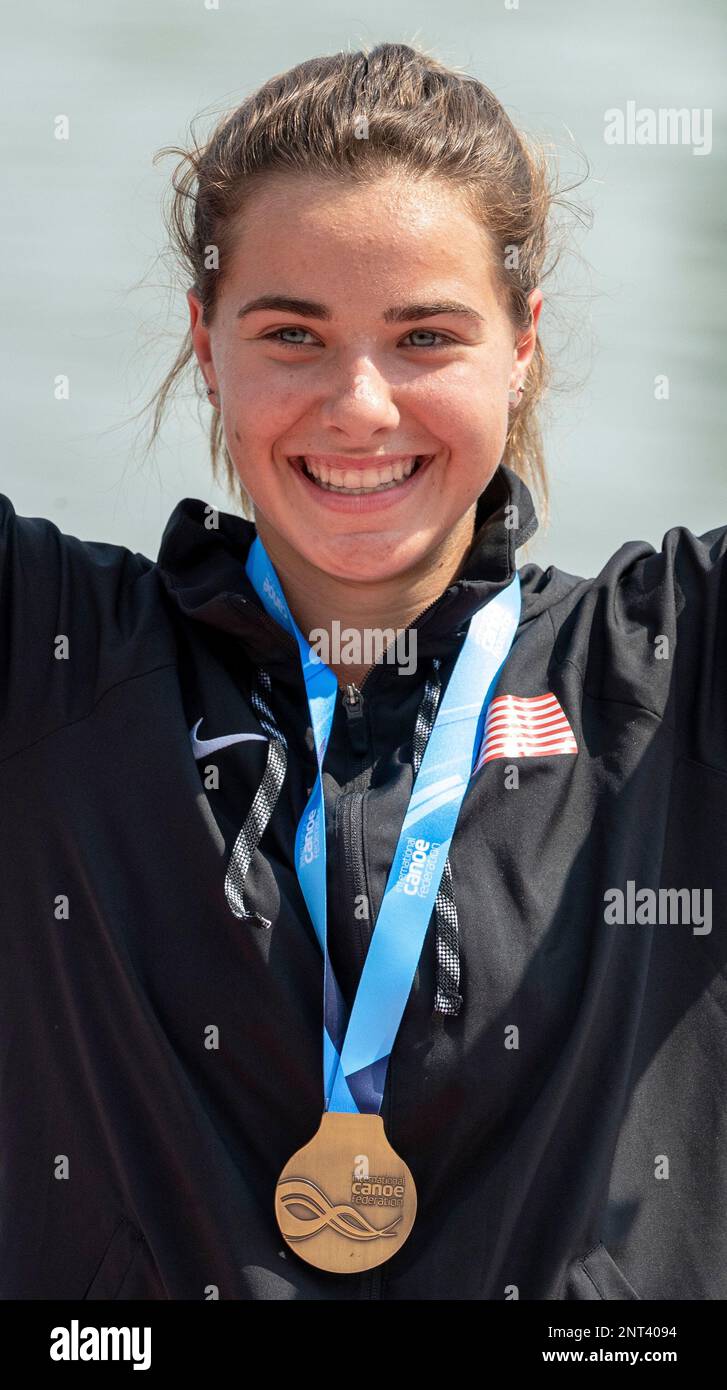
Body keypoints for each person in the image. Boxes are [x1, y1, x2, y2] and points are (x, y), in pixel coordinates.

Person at [1, 41, 725, 1302]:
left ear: (519, 346)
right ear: (205, 340)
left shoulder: (671, 670)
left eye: (424, 335)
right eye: (292, 332)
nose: (359, 406)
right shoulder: (51, 658)